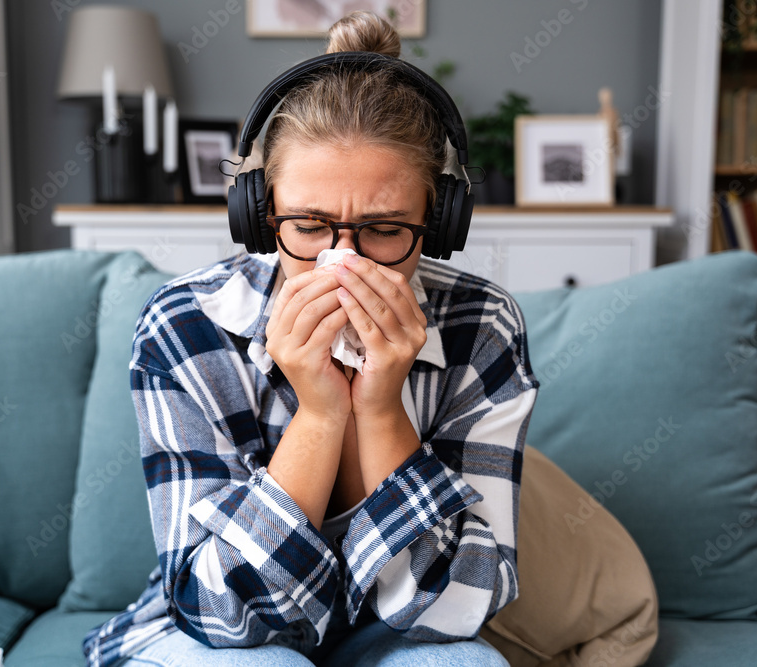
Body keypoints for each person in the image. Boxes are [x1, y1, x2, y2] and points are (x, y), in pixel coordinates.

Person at [83, 11, 538, 667]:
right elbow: (219, 612)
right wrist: (320, 415)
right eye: (308, 225)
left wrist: (380, 409)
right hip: (221, 634)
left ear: (437, 223)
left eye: (386, 229)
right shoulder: (184, 324)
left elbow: (458, 608)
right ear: (261, 213)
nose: (342, 263)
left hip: (388, 628)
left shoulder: (483, 326)